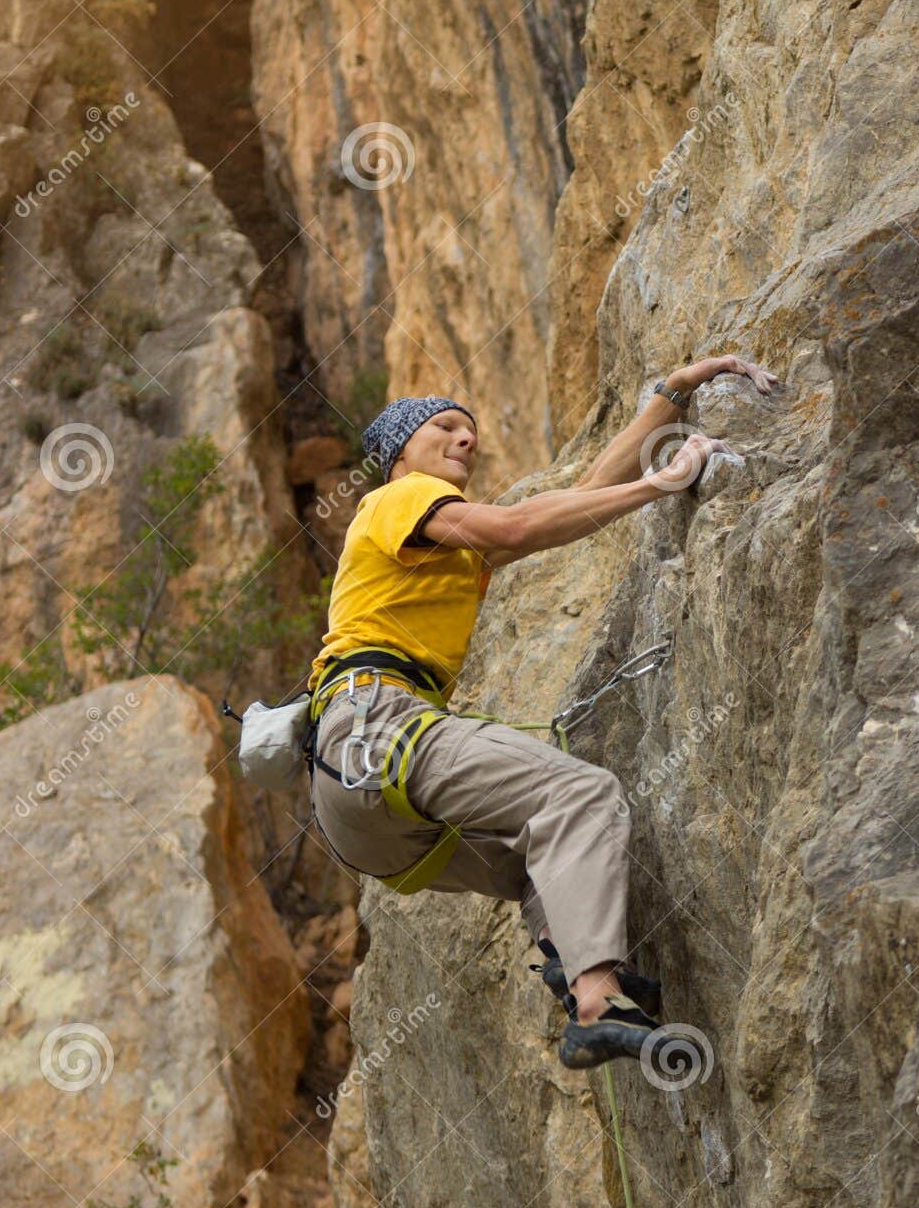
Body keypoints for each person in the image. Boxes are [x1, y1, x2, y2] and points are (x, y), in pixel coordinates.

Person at [307, 352, 778, 1067]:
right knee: (578, 793)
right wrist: (664, 483)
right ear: (401, 453)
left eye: (470, 431)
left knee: (548, 865)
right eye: (445, 426)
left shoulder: (446, 550)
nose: (466, 439)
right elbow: (518, 527)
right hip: (374, 725)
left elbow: (581, 499)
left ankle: (583, 973)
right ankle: (593, 1002)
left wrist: (671, 398)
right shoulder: (396, 498)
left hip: (359, 816)